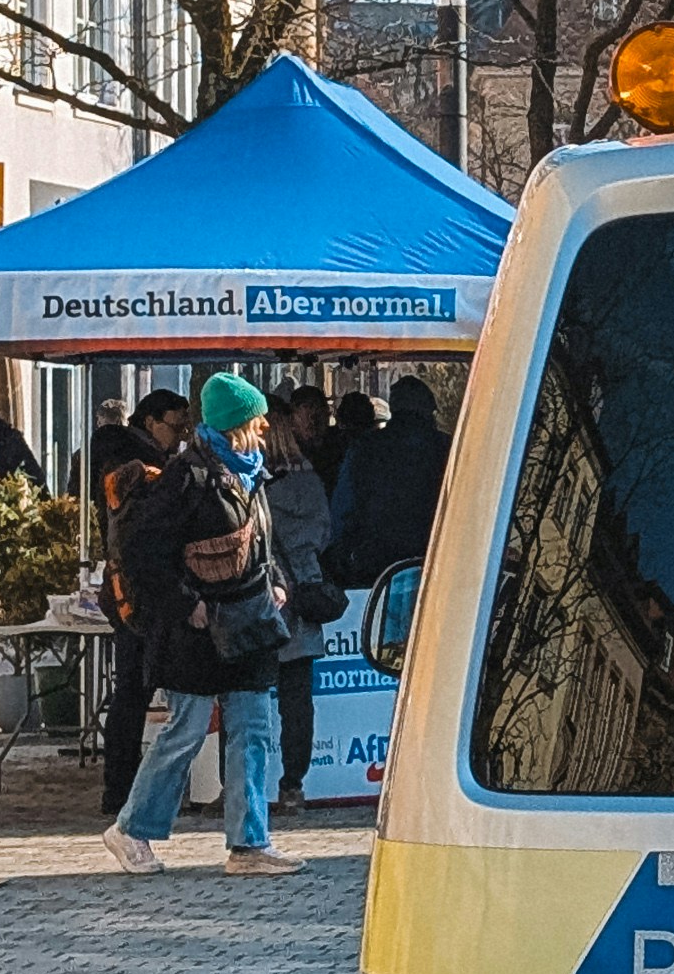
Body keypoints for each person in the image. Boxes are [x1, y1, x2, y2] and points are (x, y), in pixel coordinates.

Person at [105, 371, 298, 876]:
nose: (263, 433)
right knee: (185, 731)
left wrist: (276, 580)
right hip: (198, 631)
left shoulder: (251, 474)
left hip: (248, 621)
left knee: (253, 728)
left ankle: (249, 844)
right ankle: (131, 829)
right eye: (256, 423)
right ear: (236, 425)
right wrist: (182, 603)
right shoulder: (187, 476)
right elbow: (143, 548)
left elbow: (262, 542)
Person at [96, 388, 193, 815]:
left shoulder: (121, 460)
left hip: (125, 592)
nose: (181, 436)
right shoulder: (141, 468)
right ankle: (127, 790)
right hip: (141, 594)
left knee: (130, 693)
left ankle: (120, 786)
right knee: (142, 691)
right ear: (151, 422)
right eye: (176, 426)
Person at [265, 389, 343, 813]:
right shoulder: (309, 479)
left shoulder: (254, 483)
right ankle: (293, 782)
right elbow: (324, 532)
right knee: (298, 700)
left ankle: (239, 781)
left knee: (248, 696)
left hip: (262, 596)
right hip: (304, 588)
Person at [325, 375, 448, 588]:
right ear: (428, 410)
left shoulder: (365, 448)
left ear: (394, 407)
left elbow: (342, 509)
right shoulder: (449, 449)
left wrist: (344, 553)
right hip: (436, 559)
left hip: (374, 564)